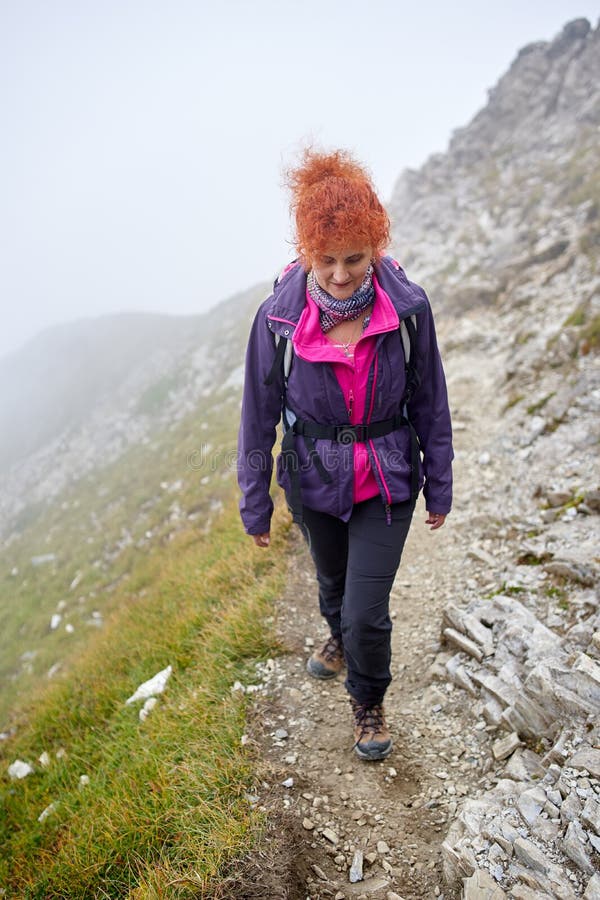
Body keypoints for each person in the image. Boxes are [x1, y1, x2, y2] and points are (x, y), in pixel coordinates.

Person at [238, 149, 453, 761]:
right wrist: (255, 504)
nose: (339, 275)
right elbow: (257, 414)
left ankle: (368, 700)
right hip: (311, 482)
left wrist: (440, 481)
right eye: (325, 260)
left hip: (386, 480)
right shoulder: (278, 319)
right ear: (306, 252)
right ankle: (337, 635)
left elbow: (431, 399)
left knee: (366, 611)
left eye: (354, 260)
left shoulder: (407, 311)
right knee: (332, 585)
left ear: (376, 249)